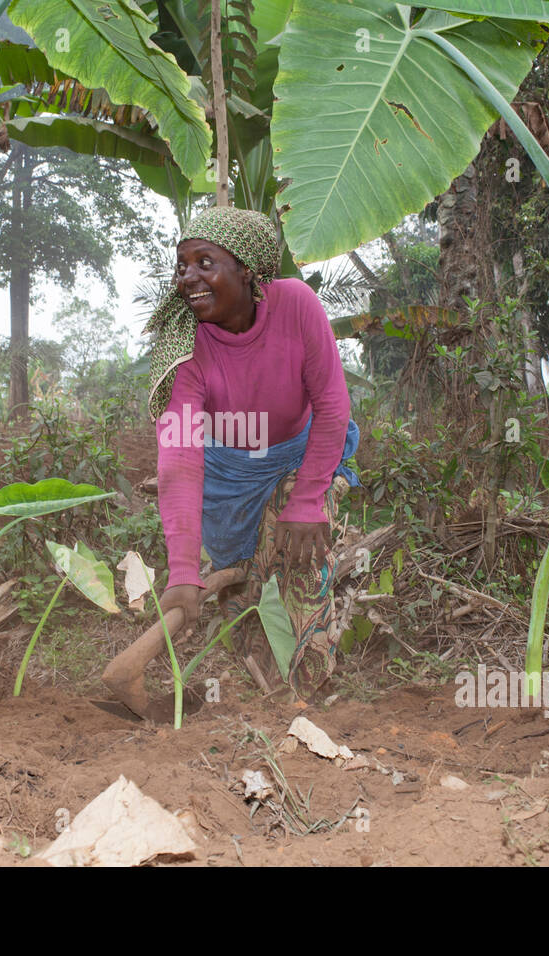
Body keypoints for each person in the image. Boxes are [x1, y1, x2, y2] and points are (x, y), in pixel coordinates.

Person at [145, 205, 359, 697]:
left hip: (298, 450)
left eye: (205, 262)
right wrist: (181, 570)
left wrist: (306, 499)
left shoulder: (297, 305)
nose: (189, 277)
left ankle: (312, 685)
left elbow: (331, 405)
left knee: (302, 551)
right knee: (238, 583)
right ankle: (259, 679)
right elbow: (179, 454)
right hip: (230, 466)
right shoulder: (184, 344)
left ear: (246, 268)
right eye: (182, 266)